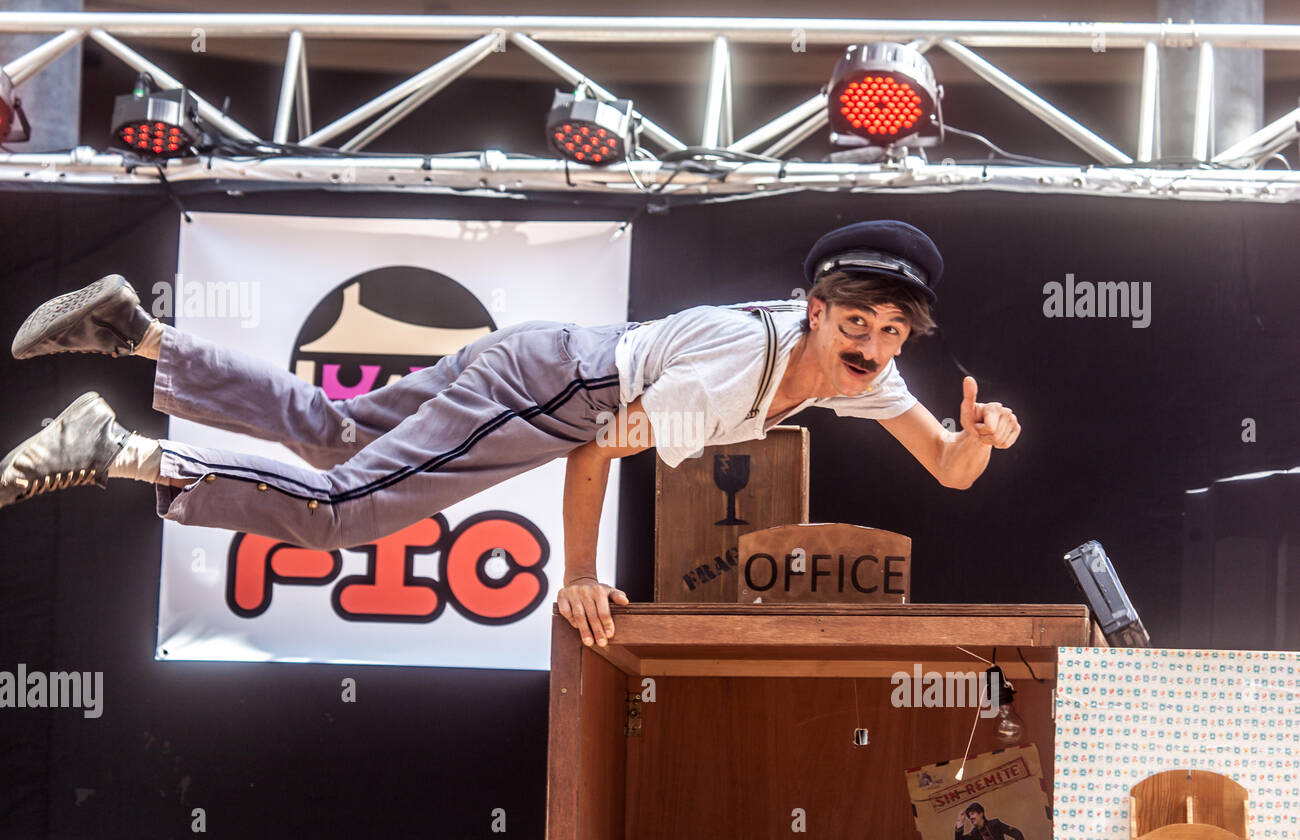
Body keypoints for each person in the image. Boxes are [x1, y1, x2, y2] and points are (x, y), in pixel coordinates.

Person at [0, 220, 1020, 646]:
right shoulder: (730, 365)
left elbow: (948, 466)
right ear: (812, 309)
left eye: (888, 335)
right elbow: (594, 446)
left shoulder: (866, 377)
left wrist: (985, 439)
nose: (872, 350)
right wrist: (579, 572)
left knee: (330, 431)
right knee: (346, 514)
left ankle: (135, 332)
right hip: (554, 390)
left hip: (543, 362)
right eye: (856, 326)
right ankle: (118, 448)